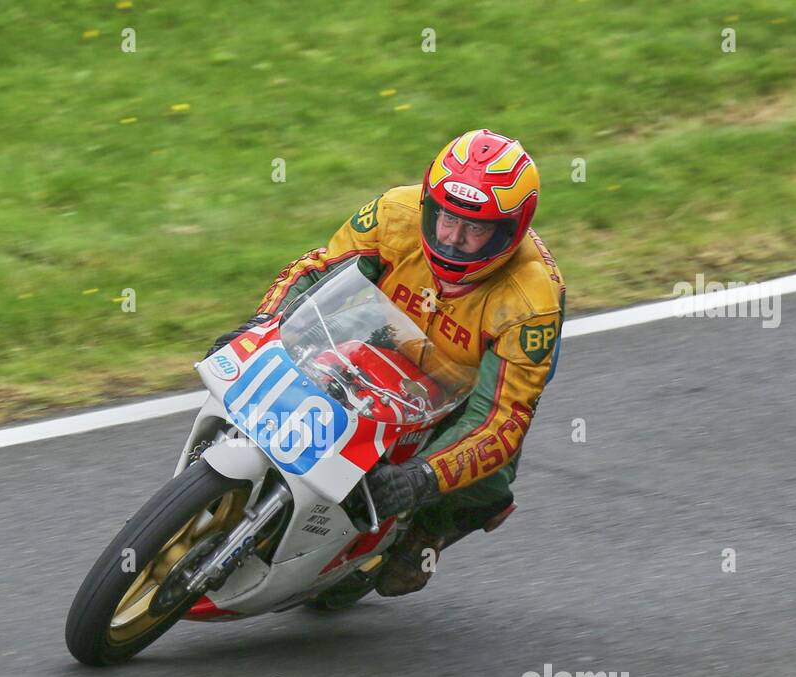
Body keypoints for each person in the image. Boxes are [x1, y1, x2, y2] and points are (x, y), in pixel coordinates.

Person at [208, 129, 566, 598]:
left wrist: (424, 478)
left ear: (509, 232)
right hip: (385, 328)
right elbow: (317, 269)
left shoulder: (531, 303)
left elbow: (501, 420)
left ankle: (429, 529)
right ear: (429, 204)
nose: (454, 239)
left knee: (486, 475)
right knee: (289, 341)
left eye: (475, 229)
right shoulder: (395, 212)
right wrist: (262, 322)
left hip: (468, 373)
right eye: (446, 219)